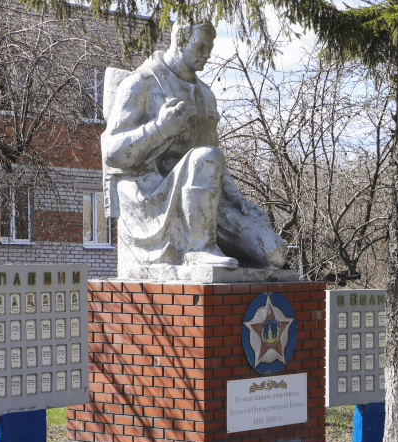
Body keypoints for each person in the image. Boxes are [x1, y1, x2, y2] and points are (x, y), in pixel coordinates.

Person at [102, 18, 288, 274]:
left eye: (209, 49)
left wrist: (236, 199)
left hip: (204, 198)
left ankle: (206, 242)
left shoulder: (204, 94)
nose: (207, 56)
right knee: (206, 157)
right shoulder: (142, 82)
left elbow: (215, 157)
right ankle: (197, 250)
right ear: (180, 41)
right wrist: (158, 130)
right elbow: (112, 153)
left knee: (273, 253)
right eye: (200, 47)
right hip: (154, 195)